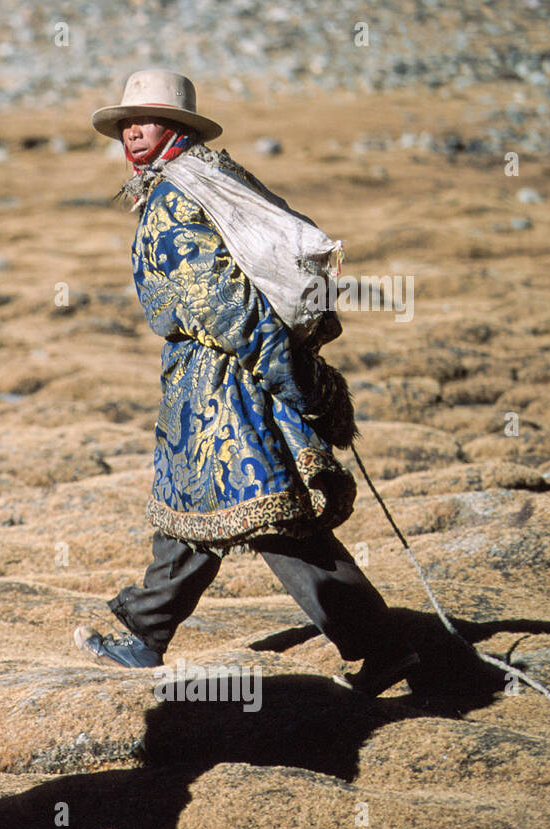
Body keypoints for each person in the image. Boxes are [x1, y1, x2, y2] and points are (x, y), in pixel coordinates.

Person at [73, 70, 419, 698]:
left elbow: (230, 307)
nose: (132, 132)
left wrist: (299, 381)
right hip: (209, 379)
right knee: (203, 504)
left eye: (144, 120)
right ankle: (146, 632)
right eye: (126, 123)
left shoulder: (178, 198)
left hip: (222, 383)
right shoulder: (203, 181)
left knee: (270, 515)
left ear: (175, 127)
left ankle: (380, 642)